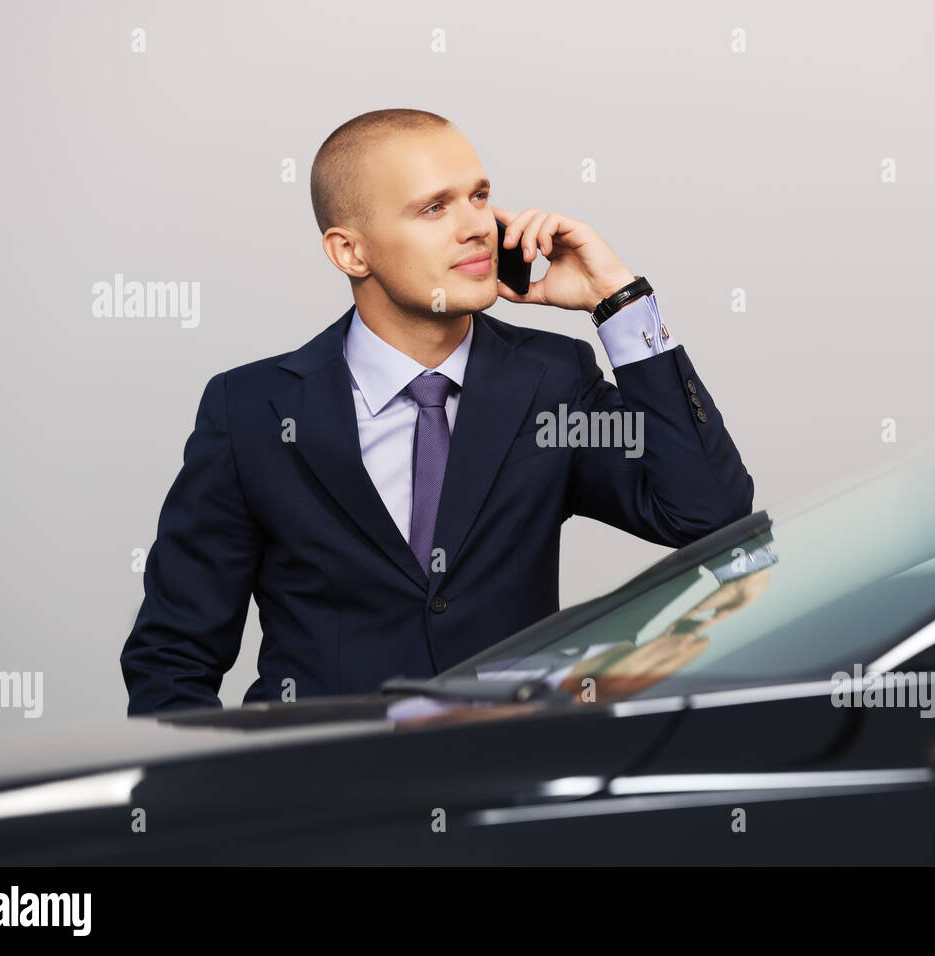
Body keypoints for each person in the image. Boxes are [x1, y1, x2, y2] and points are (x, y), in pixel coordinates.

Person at [120, 108, 754, 715]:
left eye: (479, 196)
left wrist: (617, 302)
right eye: (433, 208)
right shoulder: (252, 409)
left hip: (505, 800)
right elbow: (172, 658)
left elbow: (708, 516)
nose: (476, 225)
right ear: (350, 252)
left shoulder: (551, 382)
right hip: (321, 803)